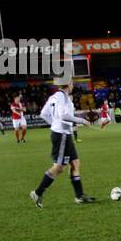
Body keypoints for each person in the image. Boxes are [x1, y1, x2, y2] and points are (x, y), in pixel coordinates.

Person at [29, 74, 96, 207]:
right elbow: (65, 116)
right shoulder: (63, 97)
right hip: (62, 135)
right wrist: (83, 121)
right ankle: (37, 192)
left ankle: (79, 196)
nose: (73, 85)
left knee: (75, 163)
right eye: (71, 82)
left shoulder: (54, 96)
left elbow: (43, 113)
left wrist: (54, 124)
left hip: (64, 134)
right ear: (68, 84)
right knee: (59, 167)